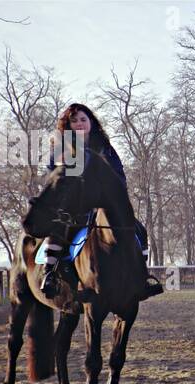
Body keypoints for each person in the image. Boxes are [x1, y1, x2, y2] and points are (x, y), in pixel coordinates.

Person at [41, 103, 162, 302]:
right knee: (58, 232)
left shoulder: (105, 148)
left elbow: (119, 177)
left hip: (103, 207)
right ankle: (50, 275)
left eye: (83, 119)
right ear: (68, 125)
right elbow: (54, 179)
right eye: (74, 121)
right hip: (73, 208)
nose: (80, 124)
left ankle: (142, 278)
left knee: (139, 229)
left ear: (91, 122)